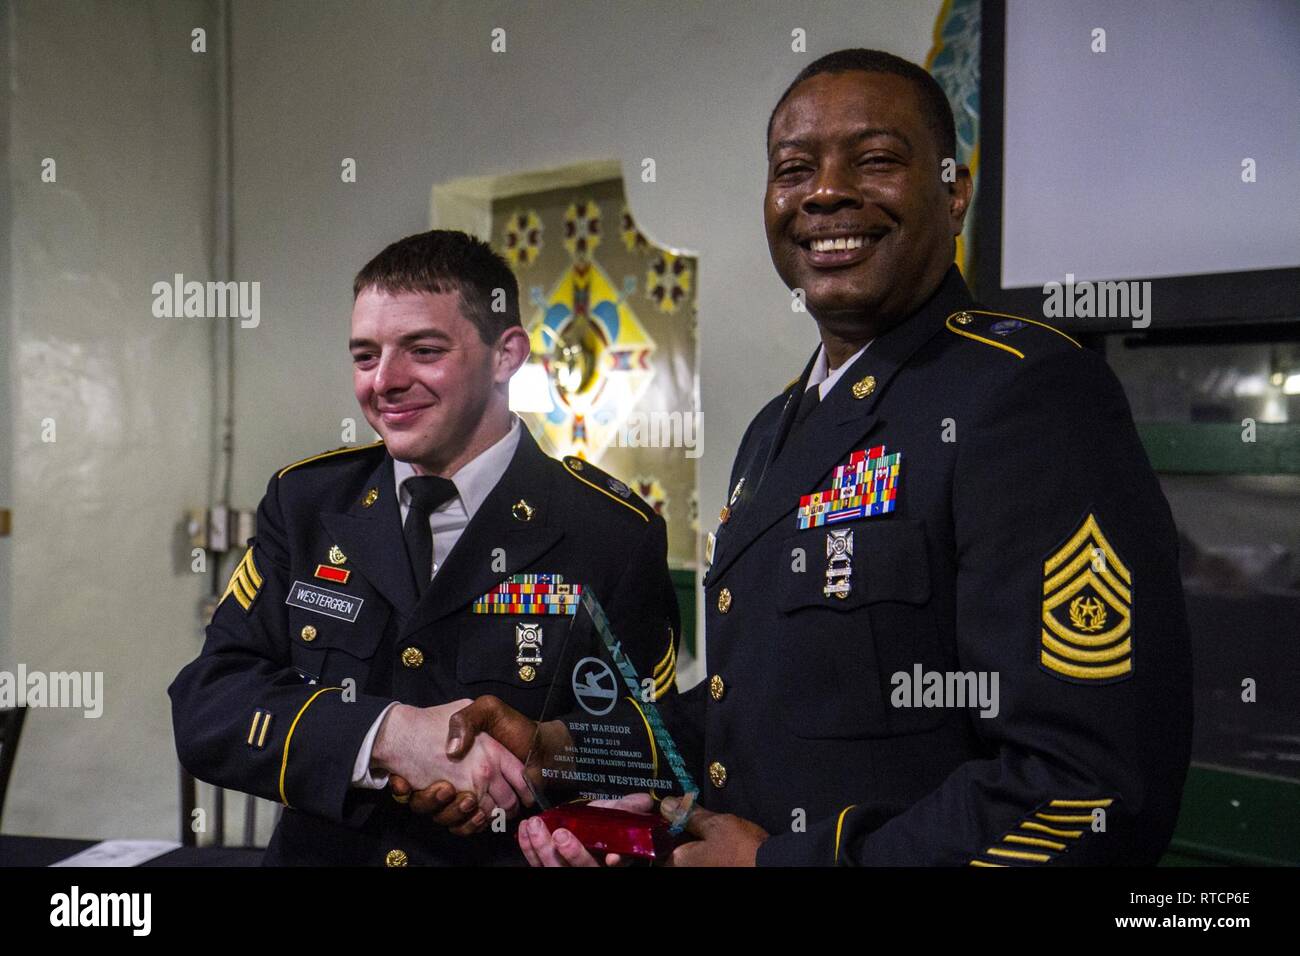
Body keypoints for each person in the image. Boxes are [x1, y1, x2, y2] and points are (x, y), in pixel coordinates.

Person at [509, 48, 1193, 866]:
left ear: (954, 191)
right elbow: (751, 708)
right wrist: (558, 747)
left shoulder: (1025, 396)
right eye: (794, 168)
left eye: (874, 160)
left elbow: (1084, 786)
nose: (825, 191)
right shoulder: (775, 431)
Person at [168, 230, 681, 866]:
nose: (384, 381)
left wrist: (556, 772)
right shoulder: (308, 505)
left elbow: (655, 743)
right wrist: (387, 737)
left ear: (506, 355)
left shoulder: (608, 530)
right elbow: (207, 703)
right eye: (364, 357)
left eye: (424, 350)